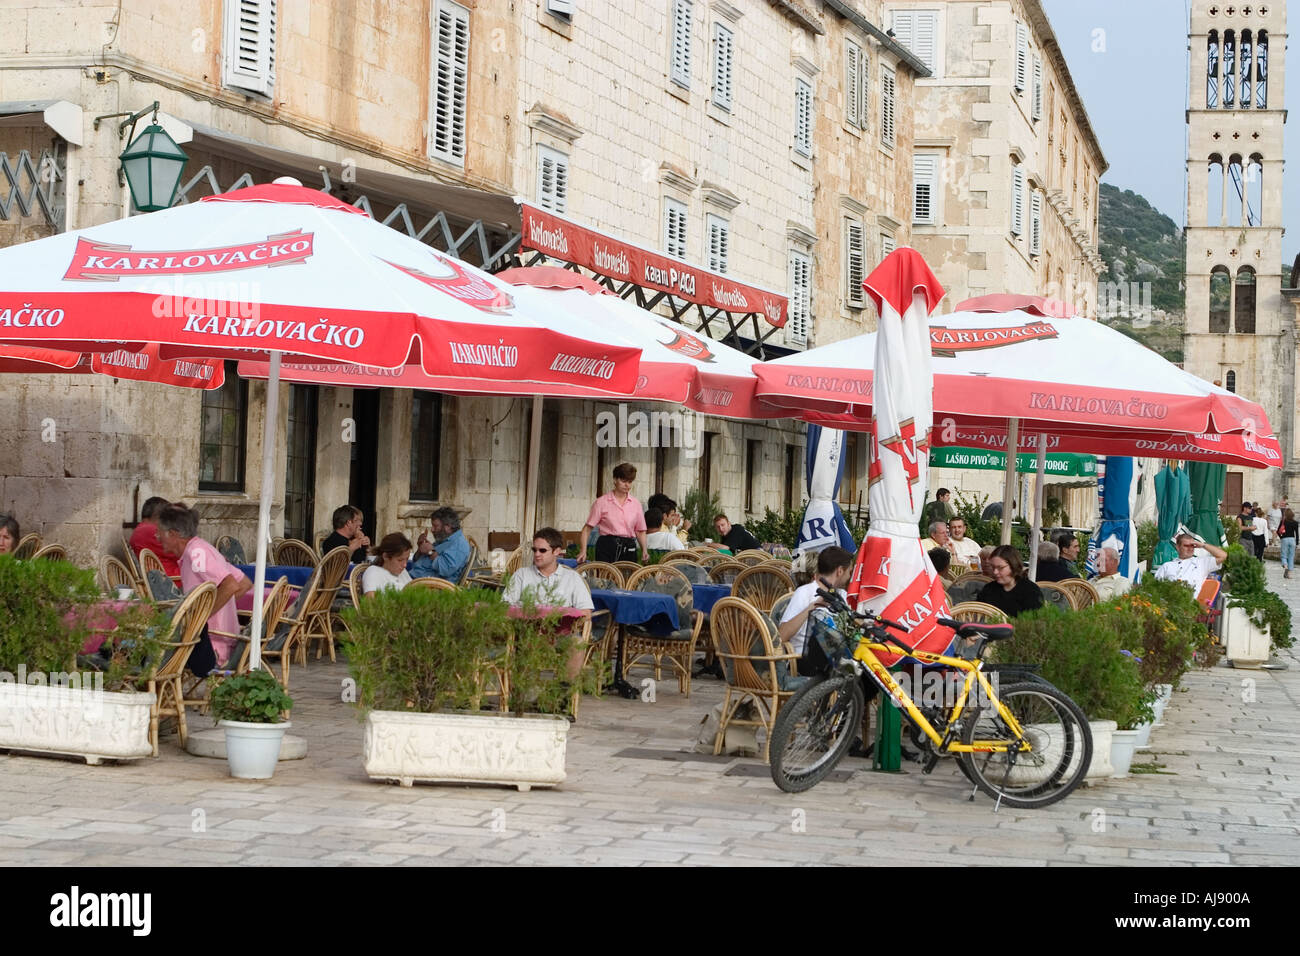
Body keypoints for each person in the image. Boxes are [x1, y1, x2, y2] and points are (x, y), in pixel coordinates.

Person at [156, 504, 251, 672]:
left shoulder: (196, 553)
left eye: (160, 532)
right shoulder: (200, 548)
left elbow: (231, 585)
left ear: (172, 534)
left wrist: (202, 617)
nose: (157, 537)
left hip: (209, 646)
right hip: (215, 641)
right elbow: (244, 583)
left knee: (148, 650)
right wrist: (220, 609)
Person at [502, 528, 594, 681]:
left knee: (577, 642)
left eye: (542, 550)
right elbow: (505, 605)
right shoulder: (521, 575)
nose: (537, 554)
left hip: (561, 635)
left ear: (557, 551)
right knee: (527, 641)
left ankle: (564, 691)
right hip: (528, 633)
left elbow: (586, 612)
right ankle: (526, 695)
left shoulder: (571, 577)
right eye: (534, 550)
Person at [778, 546, 855, 656]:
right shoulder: (805, 592)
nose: (849, 577)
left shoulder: (843, 595)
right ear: (840, 571)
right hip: (806, 659)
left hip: (837, 659)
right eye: (849, 572)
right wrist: (812, 607)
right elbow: (782, 635)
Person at [579, 463, 647, 564]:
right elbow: (587, 529)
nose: (627, 485)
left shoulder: (636, 504)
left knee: (628, 578)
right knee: (605, 578)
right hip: (606, 546)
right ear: (615, 480)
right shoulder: (601, 502)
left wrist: (644, 550)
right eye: (623, 481)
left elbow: (640, 531)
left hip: (629, 547)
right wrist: (583, 551)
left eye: (630, 482)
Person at [977, 545, 1044, 617]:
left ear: (1013, 565)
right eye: (993, 567)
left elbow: (1034, 622)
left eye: (1000, 568)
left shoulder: (1031, 591)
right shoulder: (988, 589)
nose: (995, 572)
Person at [410, 507, 470, 581]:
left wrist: (430, 551)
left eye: (435, 526)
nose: (432, 529)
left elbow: (446, 569)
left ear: (447, 527)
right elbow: (417, 561)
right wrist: (421, 548)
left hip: (427, 585)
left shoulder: (459, 545)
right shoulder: (445, 539)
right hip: (415, 575)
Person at [1154, 533, 1227, 592]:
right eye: (1186, 546)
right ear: (1178, 547)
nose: (1190, 548)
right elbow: (1155, 586)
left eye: (1192, 545)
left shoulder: (1201, 563)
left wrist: (1203, 545)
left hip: (1191, 606)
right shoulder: (1167, 566)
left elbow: (1223, 556)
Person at [128, 496, 182, 577]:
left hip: (166, 578)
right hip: (172, 580)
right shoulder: (151, 530)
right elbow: (182, 553)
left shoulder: (142, 529)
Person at [1279, 508, 1298, 579]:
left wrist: (1281, 537)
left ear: (1285, 514)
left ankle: (1285, 565)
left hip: (1284, 539)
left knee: (1284, 555)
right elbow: (1297, 534)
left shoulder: (1283, 522)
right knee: (1291, 557)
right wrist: (1297, 543)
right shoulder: (1295, 522)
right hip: (1292, 540)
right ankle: (1289, 575)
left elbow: (1278, 531)